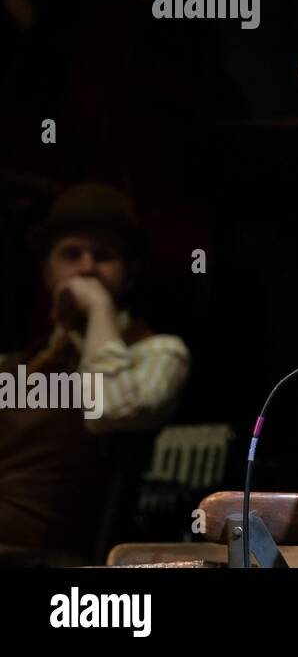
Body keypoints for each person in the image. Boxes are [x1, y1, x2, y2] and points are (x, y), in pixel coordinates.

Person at [0, 182, 190, 564]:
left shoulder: (157, 352)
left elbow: (107, 410)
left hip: (53, 563)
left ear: (129, 273)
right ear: (47, 270)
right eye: (71, 254)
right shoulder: (13, 363)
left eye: (103, 256)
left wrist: (99, 308)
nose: (86, 267)